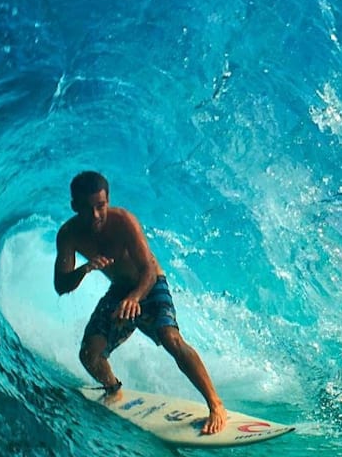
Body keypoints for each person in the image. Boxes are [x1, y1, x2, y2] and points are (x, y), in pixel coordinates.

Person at [54, 171, 227, 434]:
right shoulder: (68, 234)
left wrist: (134, 298)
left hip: (149, 283)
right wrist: (85, 269)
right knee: (89, 355)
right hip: (119, 291)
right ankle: (113, 389)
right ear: (74, 207)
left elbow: (147, 269)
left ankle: (215, 404)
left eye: (101, 206)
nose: (97, 215)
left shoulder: (124, 222)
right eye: (88, 209)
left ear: (108, 201)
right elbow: (61, 285)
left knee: (171, 338)